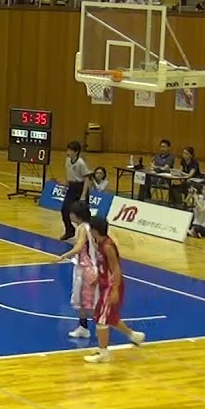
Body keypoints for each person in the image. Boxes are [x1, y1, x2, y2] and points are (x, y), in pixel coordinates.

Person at [84, 216, 146, 363]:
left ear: (95, 230)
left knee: (101, 319)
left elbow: (116, 269)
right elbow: (104, 267)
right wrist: (98, 279)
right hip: (105, 284)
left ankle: (104, 353)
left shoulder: (107, 246)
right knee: (108, 316)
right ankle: (134, 335)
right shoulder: (99, 242)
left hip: (111, 286)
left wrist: (115, 290)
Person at [56, 202, 96, 339]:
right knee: (90, 300)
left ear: (75, 215)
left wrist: (65, 255)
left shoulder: (81, 228)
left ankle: (86, 327)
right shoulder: (94, 226)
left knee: (82, 300)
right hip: (94, 267)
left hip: (85, 268)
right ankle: (85, 326)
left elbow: (79, 247)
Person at [59, 141, 90, 241]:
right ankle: (69, 230)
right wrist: (66, 182)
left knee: (84, 214)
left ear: (76, 152)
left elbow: (86, 179)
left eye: (70, 150)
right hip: (72, 187)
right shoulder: (68, 160)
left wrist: (83, 195)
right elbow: (67, 171)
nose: (68, 152)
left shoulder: (81, 163)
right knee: (65, 210)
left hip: (80, 187)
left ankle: (88, 234)